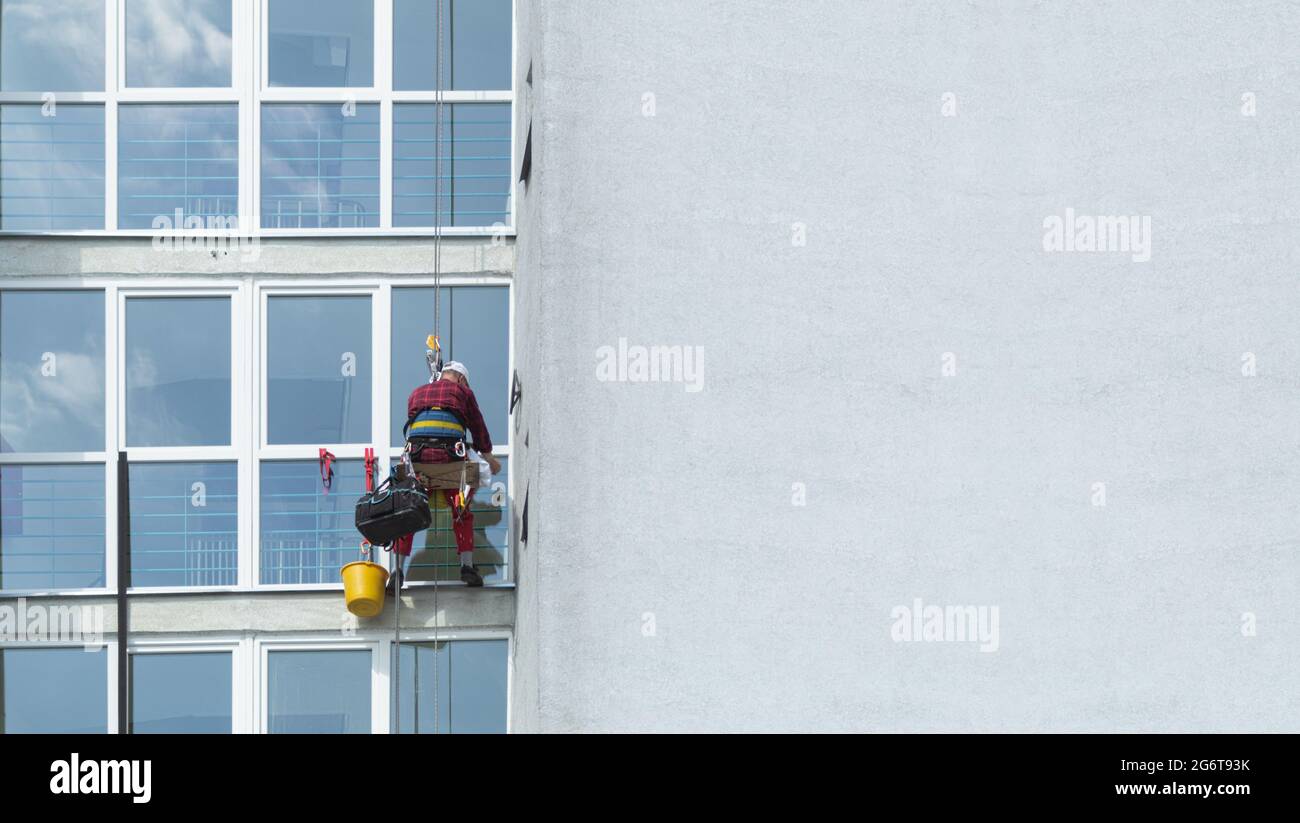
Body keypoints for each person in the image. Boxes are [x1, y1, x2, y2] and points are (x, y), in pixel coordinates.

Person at [402, 361, 500, 586]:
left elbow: (416, 425)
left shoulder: (416, 393)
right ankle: (467, 566)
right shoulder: (463, 392)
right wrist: (489, 457)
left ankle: (397, 571)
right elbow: (477, 427)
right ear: (462, 380)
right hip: (451, 460)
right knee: (462, 510)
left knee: (408, 509)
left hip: (418, 461)